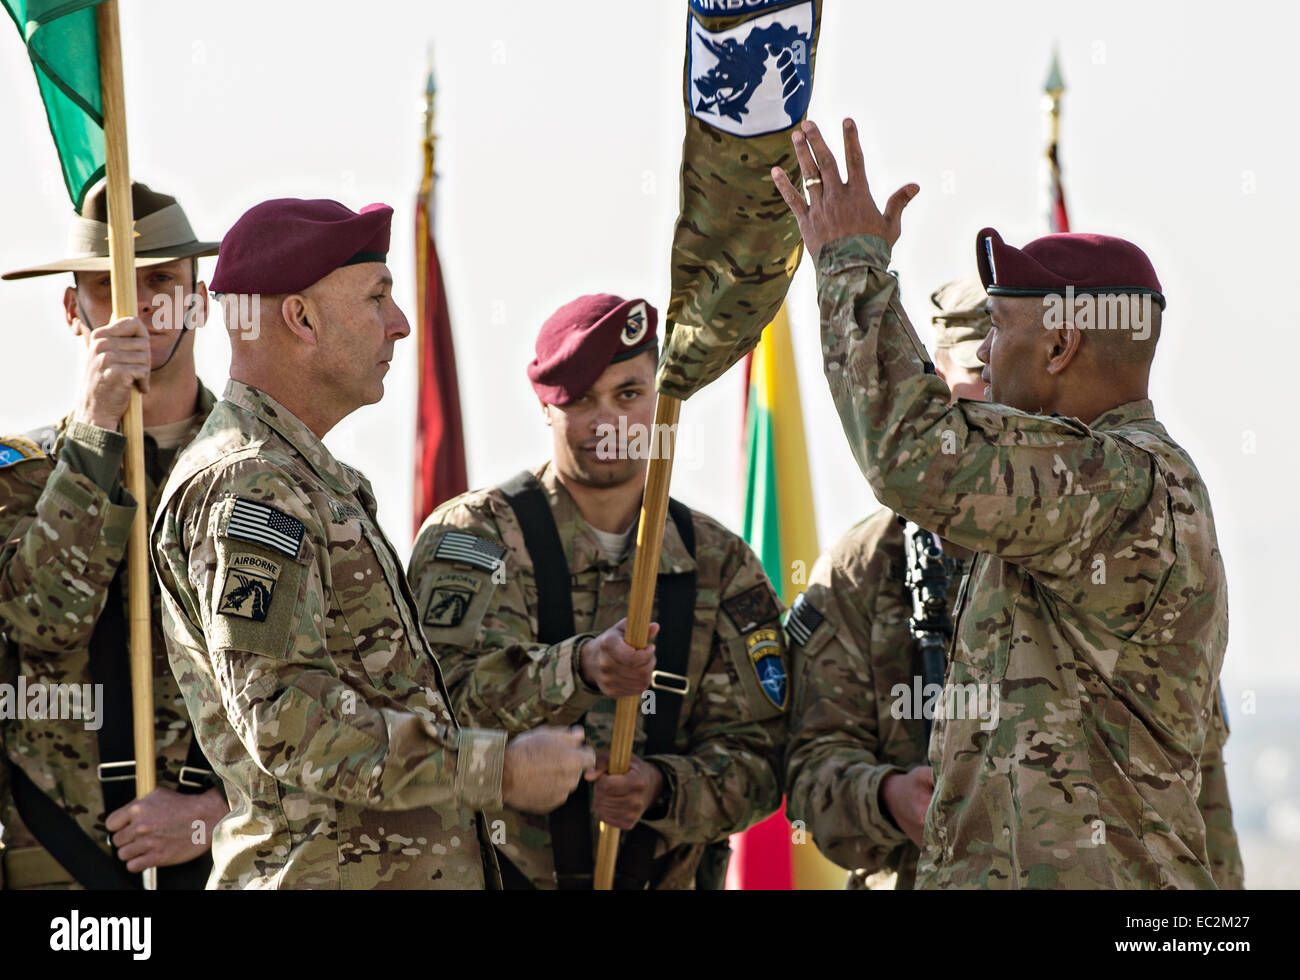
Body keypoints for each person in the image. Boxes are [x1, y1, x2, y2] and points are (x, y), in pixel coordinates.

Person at [773, 118, 1229, 888]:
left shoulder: (1121, 486)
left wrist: (851, 261)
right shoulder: (1104, 484)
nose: (984, 354)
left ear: (1059, 348)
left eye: (999, 330)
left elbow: (914, 453)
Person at [150, 198, 593, 889]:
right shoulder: (252, 487)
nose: (401, 323)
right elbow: (283, 713)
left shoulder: (299, 479)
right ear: (300, 319)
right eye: (377, 297)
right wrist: (494, 768)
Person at [408, 294, 787, 889]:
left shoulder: (720, 564)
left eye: (629, 395)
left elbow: (764, 759)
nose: (605, 422)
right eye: (581, 399)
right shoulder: (473, 538)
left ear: (661, 403)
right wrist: (578, 669)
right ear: (545, 405)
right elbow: (434, 711)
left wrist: (662, 789)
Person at [0, 181, 226, 890]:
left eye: (160, 280)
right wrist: (96, 429)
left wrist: (219, 812)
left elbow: (340, 695)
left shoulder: (272, 478)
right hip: (61, 867)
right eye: (107, 286)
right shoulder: (18, 480)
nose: (137, 308)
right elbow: (41, 620)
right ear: (74, 310)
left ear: (201, 299)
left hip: (235, 861)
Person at [784, 278, 987, 890]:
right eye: (982, 370)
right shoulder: (864, 567)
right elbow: (806, 774)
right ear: (937, 383)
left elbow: (1186, 780)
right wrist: (888, 796)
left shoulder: (1096, 535)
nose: (1002, 398)